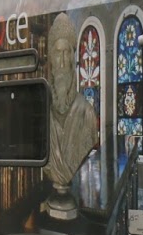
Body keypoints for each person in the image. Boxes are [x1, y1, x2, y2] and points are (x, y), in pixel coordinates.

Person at [42, 12, 100, 220]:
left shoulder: (86, 113)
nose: (63, 61)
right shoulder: (41, 112)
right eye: (58, 53)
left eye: (68, 52)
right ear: (50, 58)